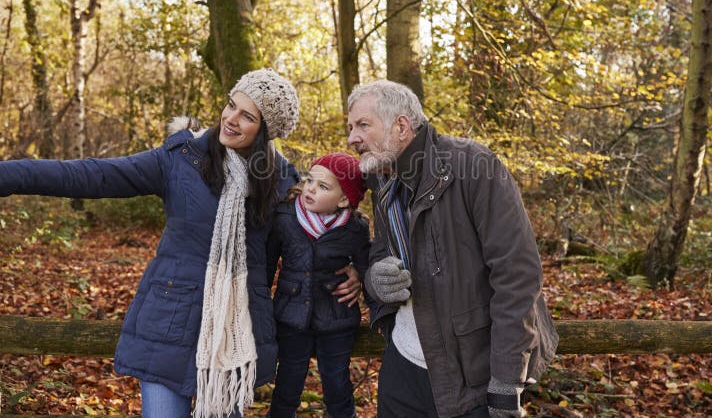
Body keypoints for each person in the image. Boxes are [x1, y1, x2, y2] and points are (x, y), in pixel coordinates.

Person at [0, 68, 361, 418]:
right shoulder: (180, 159)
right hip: (167, 324)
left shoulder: (282, 183)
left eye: (246, 115)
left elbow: (313, 241)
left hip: (233, 339)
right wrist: (9, 175)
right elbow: (91, 175)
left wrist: (356, 268)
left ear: (265, 131)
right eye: (231, 105)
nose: (231, 119)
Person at [346, 80, 559, 418]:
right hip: (402, 369)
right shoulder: (382, 179)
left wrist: (506, 380)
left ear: (401, 126)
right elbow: (381, 255)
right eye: (350, 127)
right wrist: (376, 280)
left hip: (471, 377)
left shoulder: (473, 165)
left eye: (362, 125)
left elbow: (517, 275)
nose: (352, 138)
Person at [266, 152, 372, 418]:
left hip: (336, 317)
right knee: (287, 384)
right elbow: (266, 265)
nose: (311, 189)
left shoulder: (355, 229)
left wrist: (361, 278)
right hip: (291, 316)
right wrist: (258, 307)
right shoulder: (285, 217)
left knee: (337, 384)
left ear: (344, 199)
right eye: (310, 180)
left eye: (323, 186)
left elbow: (367, 265)